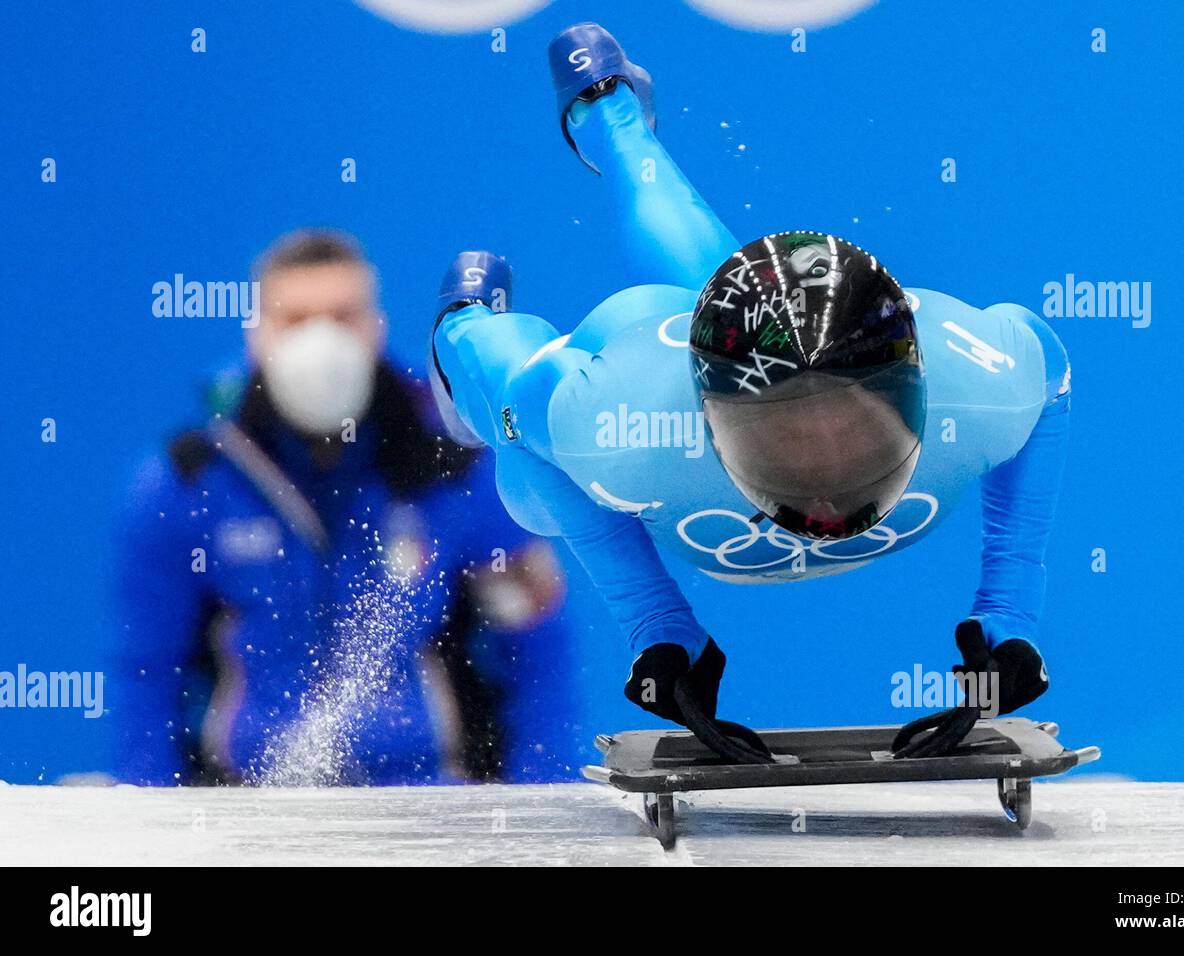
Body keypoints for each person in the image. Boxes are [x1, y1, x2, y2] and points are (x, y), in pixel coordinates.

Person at [429, 24, 1070, 755]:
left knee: (729, 281)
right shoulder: (614, 418)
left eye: (856, 423)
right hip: (622, 356)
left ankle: (610, 113)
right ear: (707, 415)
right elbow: (521, 424)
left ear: (916, 388)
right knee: (525, 481)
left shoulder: (981, 382)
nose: (829, 474)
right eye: (789, 432)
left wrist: (1010, 609)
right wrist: (654, 620)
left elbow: (1054, 379)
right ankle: (468, 313)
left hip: (695, 401)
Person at [113, 229, 570, 786]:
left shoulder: (456, 466)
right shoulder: (188, 480)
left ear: (376, 327)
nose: (322, 340)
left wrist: (539, 817)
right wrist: (154, 829)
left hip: (430, 805)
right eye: (296, 319)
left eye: (343, 316)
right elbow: (145, 674)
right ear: (255, 335)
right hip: (251, 804)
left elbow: (541, 657)